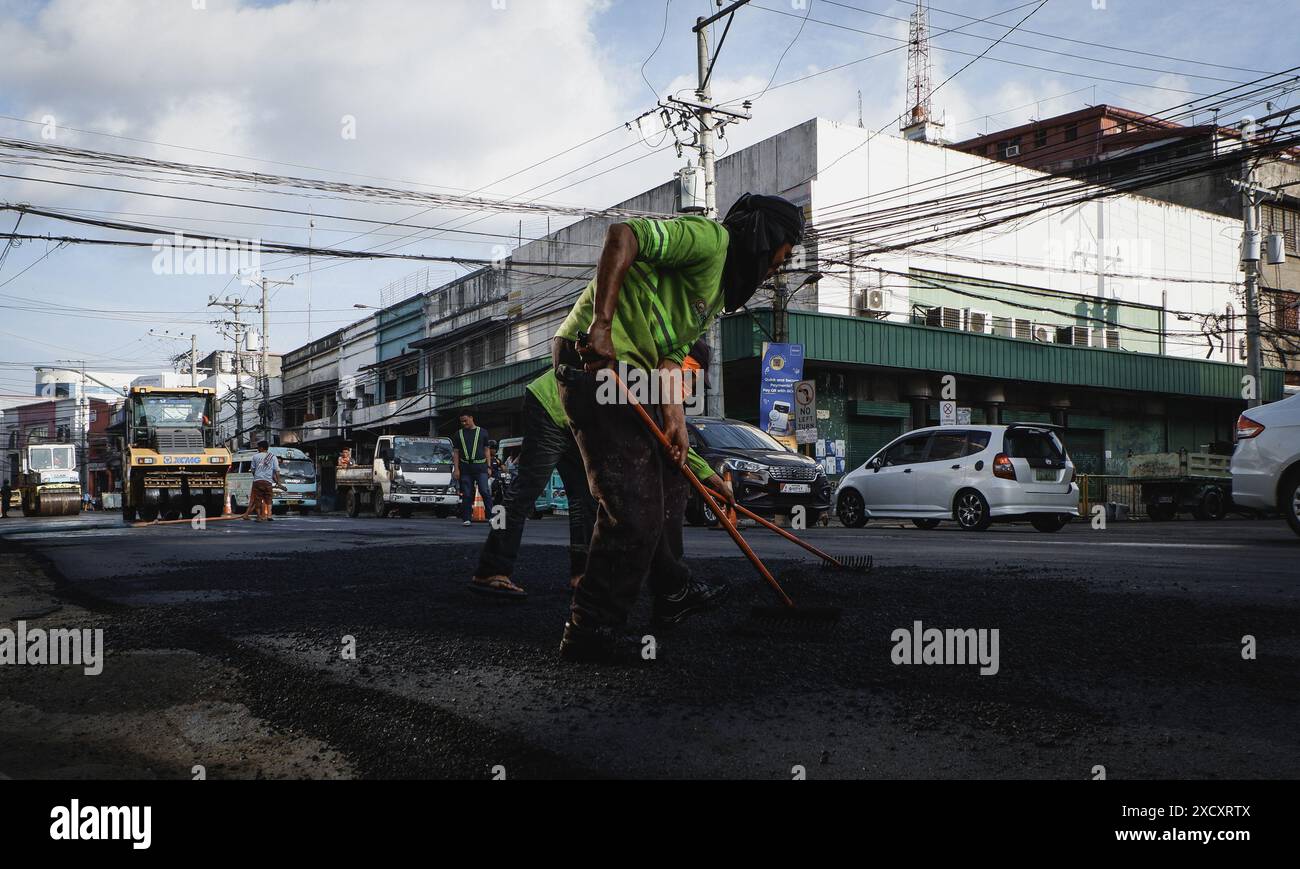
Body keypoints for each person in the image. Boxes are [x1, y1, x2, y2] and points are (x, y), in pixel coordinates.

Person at [554, 193, 804, 664]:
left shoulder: (713, 295)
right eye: (782, 255)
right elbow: (621, 235)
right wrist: (601, 326)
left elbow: (672, 355)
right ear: (766, 237)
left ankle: (672, 590)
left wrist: (675, 420)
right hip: (595, 362)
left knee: (671, 483)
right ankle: (589, 629)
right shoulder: (710, 239)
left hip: (639, 374)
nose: (778, 267)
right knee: (631, 508)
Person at [453, 412, 494, 526]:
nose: (464, 423)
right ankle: (466, 518)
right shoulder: (458, 434)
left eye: (466, 420)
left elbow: (486, 450)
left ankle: (491, 516)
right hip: (465, 468)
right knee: (466, 494)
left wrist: (489, 467)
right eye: (462, 421)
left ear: (471, 418)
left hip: (481, 467)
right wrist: (456, 469)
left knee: (484, 491)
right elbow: (456, 453)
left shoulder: (483, 432)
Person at [242, 441, 280, 522]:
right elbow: (276, 471)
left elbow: (252, 469)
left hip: (257, 481)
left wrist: (256, 476)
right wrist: (278, 482)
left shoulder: (255, 457)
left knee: (257, 499)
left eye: (258, 447)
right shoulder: (273, 457)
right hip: (268, 481)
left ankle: (259, 516)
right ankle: (269, 515)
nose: (258, 449)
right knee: (269, 499)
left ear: (262, 448)